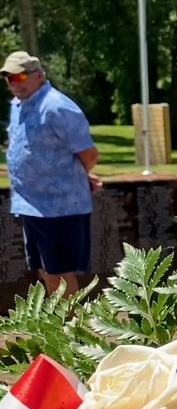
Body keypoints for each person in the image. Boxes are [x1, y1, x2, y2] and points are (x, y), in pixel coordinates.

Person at [3, 51, 100, 295]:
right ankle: (58, 325)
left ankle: (72, 330)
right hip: (30, 204)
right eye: (9, 78)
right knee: (44, 269)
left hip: (59, 207)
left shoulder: (57, 106)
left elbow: (88, 153)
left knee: (60, 273)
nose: (15, 82)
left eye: (21, 75)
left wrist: (76, 177)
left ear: (39, 75)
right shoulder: (18, 105)